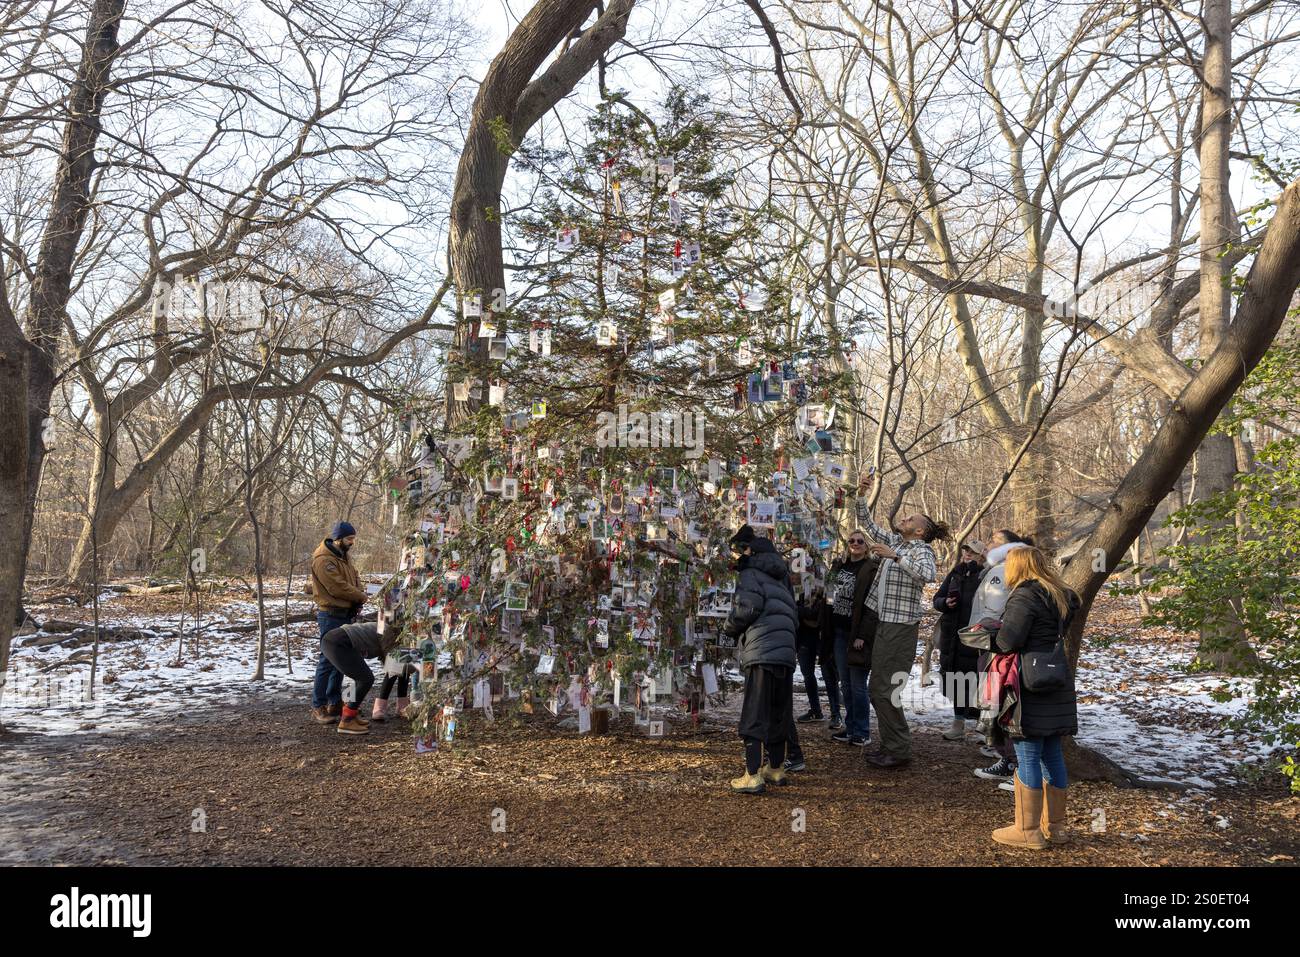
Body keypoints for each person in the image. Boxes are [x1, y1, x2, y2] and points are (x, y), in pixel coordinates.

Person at [990, 546, 1080, 848]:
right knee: (1052, 752)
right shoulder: (1060, 595)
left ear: (1017, 566)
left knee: (1028, 753)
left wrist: (988, 633)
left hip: (1028, 682)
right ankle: (1055, 827)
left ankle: (1027, 831)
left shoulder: (1025, 595)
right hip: (1055, 677)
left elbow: (1008, 641)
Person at [855, 490, 946, 769]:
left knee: (884, 690)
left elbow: (928, 574)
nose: (904, 518)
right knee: (878, 689)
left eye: (910, 519)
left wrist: (895, 557)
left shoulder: (921, 550)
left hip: (901, 627)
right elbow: (867, 524)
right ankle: (891, 745)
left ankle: (898, 748)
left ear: (920, 531)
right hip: (884, 623)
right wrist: (861, 494)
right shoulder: (897, 541)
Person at [724, 532, 799, 794]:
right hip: (785, 652)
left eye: (744, 551)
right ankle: (775, 768)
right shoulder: (782, 578)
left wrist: (729, 628)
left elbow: (747, 607)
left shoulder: (750, 573)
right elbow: (793, 614)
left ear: (752, 553)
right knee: (779, 711)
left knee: (755, 712)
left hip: (761, 650)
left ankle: (752, 774)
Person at [970, 530, 1031, 785]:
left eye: (994, 541)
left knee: (999, 703)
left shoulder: (1002, 571)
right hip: (992, 645)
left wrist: (980, 634)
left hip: (995, 647)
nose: (988, 545)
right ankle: (1008, 758)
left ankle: (1012, 762)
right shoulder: (996, 570)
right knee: (996, 703)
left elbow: (993, 611)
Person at [822, 530, 880, 746]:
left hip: (856, 635)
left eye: (860, 541)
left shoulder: (871, 569)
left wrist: (863, 635)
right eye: (852, 541)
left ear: (866, 546)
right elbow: (828, 596)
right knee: (845, 684)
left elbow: (872, 607)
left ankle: (862, 731)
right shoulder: (838, 566)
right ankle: (851, 727)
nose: (855, 544)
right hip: (837, 632)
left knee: (857, 685)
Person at [309, 521, 368, 725]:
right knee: (327, 660)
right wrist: (360, 596)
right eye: (349, 539)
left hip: (345, 613)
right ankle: (318, 705)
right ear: (338, 539)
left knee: (341, 661)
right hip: (331, 615)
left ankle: (334, 702)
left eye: (353, 538)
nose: (352, 542)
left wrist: (359, 596)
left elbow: (354, 577)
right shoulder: (323, 560)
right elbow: (337, 587)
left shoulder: (343, 556)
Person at [933, 540, 986, 740]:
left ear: (981, 555)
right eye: (966, 550)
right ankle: (958, 724)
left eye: (973, 551)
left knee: (976, 681)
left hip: (973, 636)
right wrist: (945, 602)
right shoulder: (955, 573)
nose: (967, 554)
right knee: (955, 680)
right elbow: (937, 599)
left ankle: (983, 726)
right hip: (951, 636)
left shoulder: (985, 575)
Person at [320, 617, 406, 735]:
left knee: (360, 678)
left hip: (334, 640)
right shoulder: (390, 633)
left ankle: (351, 714)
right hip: (338, 643)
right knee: (366, 679)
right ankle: (347, 720)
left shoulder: (384, 627)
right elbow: (391, 661)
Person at [795, 589, 826, 722]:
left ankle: (834, 714)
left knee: (829, 676)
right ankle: (816, 710)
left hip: (820, 637)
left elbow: (815, 615)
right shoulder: (800, 590)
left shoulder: (824, 590)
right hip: (803, 638)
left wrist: (799, 610)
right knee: (808, 674)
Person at [372, 655, 418, 722]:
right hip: (393, 650)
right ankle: (379, 708)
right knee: (393, 669)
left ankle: (402, 707)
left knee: (406, 669)